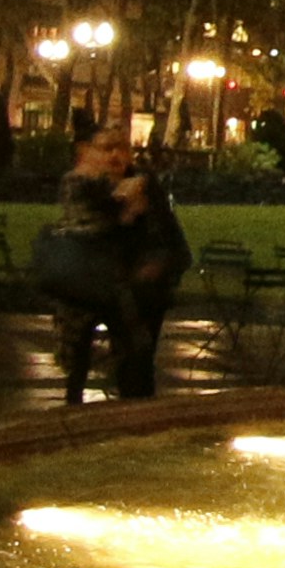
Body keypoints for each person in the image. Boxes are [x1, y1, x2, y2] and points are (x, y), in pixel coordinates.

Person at [30, 125, 138, 405]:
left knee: (125, 344)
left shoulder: (112, 182)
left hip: (104, 276)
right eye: (105, 149)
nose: (113, 155)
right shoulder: (80, 182)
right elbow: (112, 212)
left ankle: (120, 399)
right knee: (80, 349)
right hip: (85, 276)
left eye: (119, 149)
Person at [115, 145, 188, 402]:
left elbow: (170, 239)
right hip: (125, 283)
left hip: (146, 285)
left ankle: (137, 404)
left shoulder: (143, 187)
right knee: (133, 353)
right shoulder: (99, 187)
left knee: (139, 352)